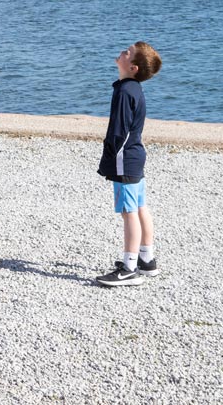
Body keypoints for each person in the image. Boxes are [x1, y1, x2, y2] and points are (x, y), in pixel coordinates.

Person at [95, 40, 163, 287]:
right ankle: (147, 259)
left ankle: (129, 268)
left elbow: (119, 131)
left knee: (129, 211)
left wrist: (109, 157)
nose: (123, 52)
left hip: (125, 158)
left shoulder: (125, 91)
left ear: (133, 67)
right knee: (140, 206)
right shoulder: (132, 88)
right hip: (135, 155)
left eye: (128, 52)